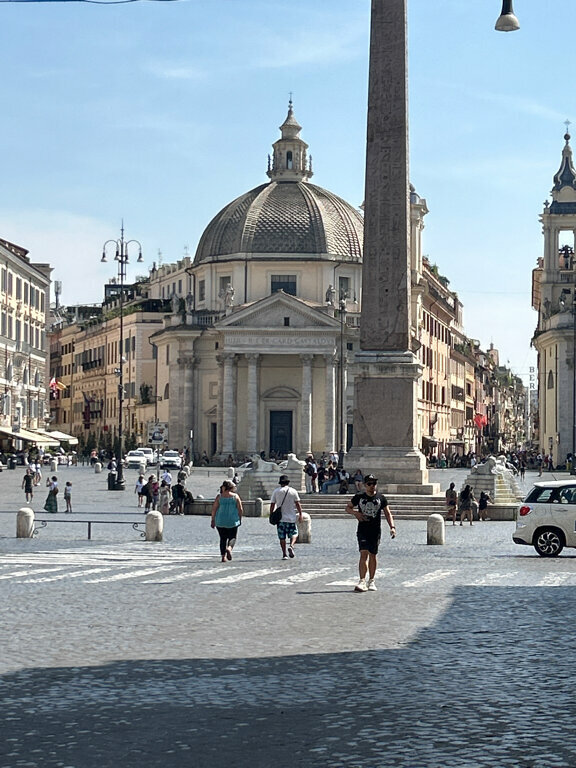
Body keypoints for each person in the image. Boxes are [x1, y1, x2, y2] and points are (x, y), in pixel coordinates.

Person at [346, 474, 395, 593]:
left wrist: (392, 527)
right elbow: (348, 508)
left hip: (375, 530)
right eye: (369, 484)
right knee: (363, 554)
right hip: (362, 529)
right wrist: (356, 514)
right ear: (364, 485)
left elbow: (387, 513)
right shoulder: (359, 497)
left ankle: (371, 580)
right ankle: (362, 580)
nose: (372, 486)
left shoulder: (381, 498)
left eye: (374, 483)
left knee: (373, 554)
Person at [269, 474, 303, 560]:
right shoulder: (293, 491)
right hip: (291, 517)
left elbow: (272, 504)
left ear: (280, 483)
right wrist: (300, 514)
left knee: (282, 537)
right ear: (288, 482)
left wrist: (271, 514)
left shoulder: (276, 491)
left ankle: (284, 554)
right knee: (294, 534)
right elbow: (297, 503)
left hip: (280, 519)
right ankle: (291, 546)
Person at [211, 480, 243, 562]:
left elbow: (214, 509)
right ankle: (229, 548)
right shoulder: (235, 497)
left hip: (220, 520)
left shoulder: (219, 497)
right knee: (232, 537)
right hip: (232, 520)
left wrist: (213, 520)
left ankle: (223, 557)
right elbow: (240, 509)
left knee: (222, 538)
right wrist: (239, 519)